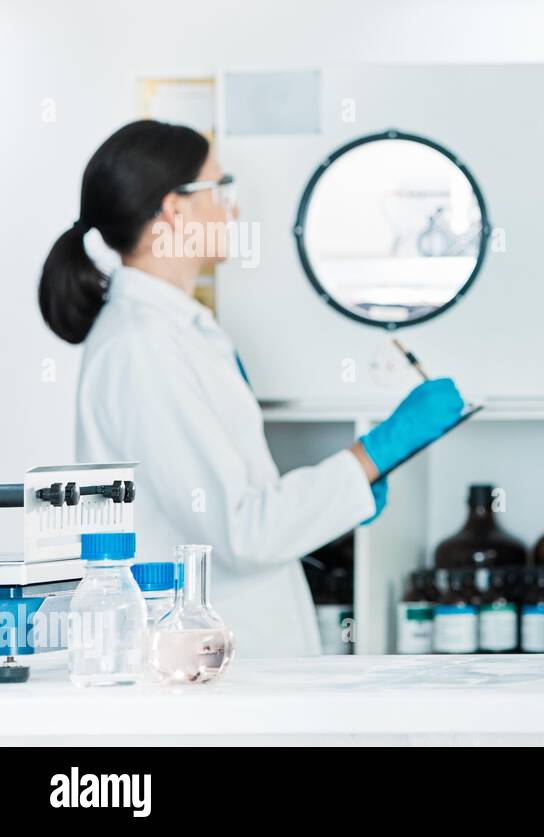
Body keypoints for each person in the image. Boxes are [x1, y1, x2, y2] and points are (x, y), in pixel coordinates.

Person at [39, 120, 465, 657]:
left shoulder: (176, 330)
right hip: (199, 668)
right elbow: (243, 533)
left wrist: (347, 490)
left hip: (228, 658)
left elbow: (237, 510)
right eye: (222, 190)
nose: (233, 210)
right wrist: (374, 455)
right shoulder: (141, 346)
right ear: (176, 210)